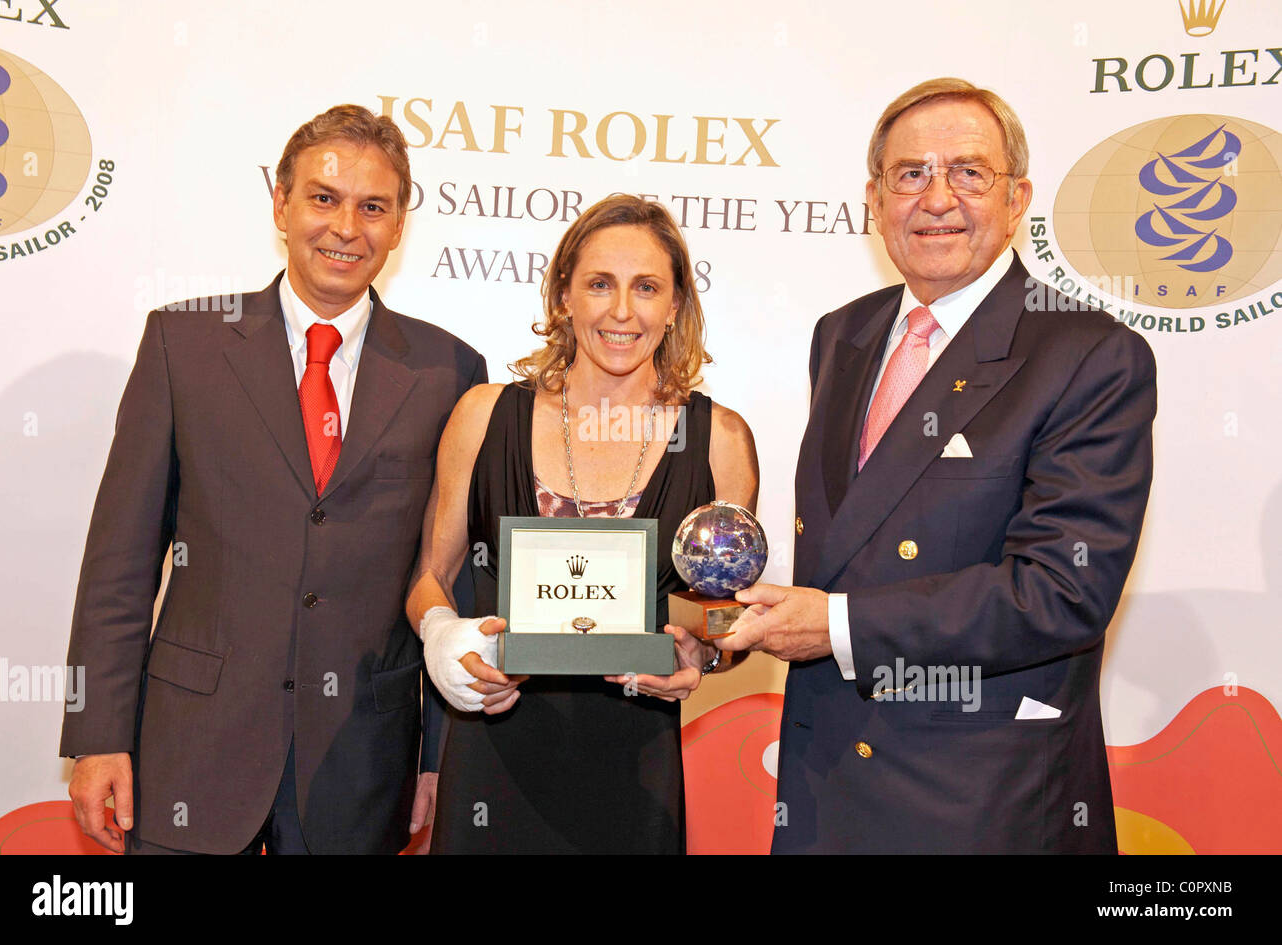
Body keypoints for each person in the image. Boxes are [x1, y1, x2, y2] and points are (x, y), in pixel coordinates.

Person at [716, 78, 1157, 853]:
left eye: (969, 172)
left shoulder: (1087, 353)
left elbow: (1062, 591)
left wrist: (838, 624)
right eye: (910, 173)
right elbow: (849, 547)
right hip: (827, 778)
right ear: (874, 198)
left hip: (979, 799)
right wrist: (712, 627)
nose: (937, 197)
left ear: (1018, 197)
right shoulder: (842, 335)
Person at [60, 105, 486, 854]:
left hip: (362, 765)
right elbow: (119, 562)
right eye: (324, 198)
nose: (346, 227)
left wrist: (438, 757)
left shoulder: (449, 371)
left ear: (398, 224)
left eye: (373, 207)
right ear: (282, 203)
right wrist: (97, 735)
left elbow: (453, 581)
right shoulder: (182, 344)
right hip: (188, 756)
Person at [406, 194, 759, 854]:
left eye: (646, 287)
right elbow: (430, 575)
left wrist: (705, 652)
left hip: (636, 773)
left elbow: (725, 614)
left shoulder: (720, 441)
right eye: (599, 283)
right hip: (491, 757)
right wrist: (441, 633)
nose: (622, 310)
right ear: (563, 294)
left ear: (676, 303)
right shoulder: (483, 417)